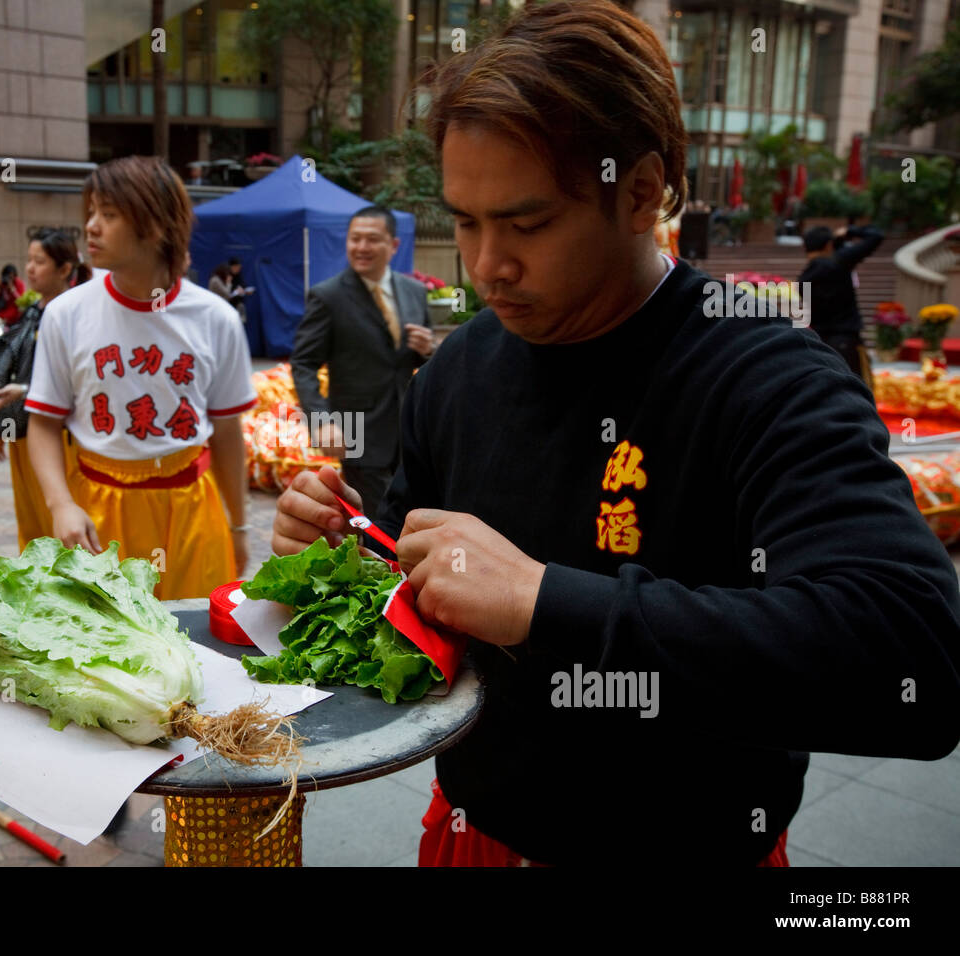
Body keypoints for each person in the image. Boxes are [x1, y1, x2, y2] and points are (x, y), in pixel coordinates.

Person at [271, 0, 960, 866]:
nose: (486, 268)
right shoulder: (457, 369)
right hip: (473, 837)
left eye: (528, 224)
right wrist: (343, 548)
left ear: (640, 191)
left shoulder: (765, 372)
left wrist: (543, 601)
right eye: (466, 222)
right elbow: (411, 572)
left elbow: (915, 667)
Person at [25, 156, 257, 597]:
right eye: (91, 212)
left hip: (191, 508)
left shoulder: (216, 319)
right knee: (106, 651)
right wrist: (61, 506)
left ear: (155, 226)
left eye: (108, 215)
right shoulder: (65, 314)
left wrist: (239, 524)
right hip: (99, 510)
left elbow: (227, 431)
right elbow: (43, 422)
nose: (91, 226)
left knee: (197, 644)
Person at [289, 205, 433, 516]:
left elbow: (415, 357)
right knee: (376, 519)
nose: (361, 247)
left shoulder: (414, 292)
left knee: (411, 513)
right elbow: (303, 363)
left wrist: (429, 349)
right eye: (355, 239)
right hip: (356, 428)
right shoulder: (328, 297)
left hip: (409, 426)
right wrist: (323, 422)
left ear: (393, 245)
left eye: (372, 239)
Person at [0, 229, 88, 552]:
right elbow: (21, 370)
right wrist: (2, 427)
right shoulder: (34, 312)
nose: (30, 269)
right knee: (32, 522)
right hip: (25, 430)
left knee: (60, 518)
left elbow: (75, 382)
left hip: (59, 435)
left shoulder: (75, 314)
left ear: (65, 270)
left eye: (40, 261)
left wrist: (22, 392)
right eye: (29, 260)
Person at [799, 223, 884, 386]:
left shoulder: (804, 278)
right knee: (857, 389)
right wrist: (849, 231)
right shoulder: (839, 262)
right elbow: (876, 235)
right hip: (847, 341)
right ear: (828, 244)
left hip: (821, 344)